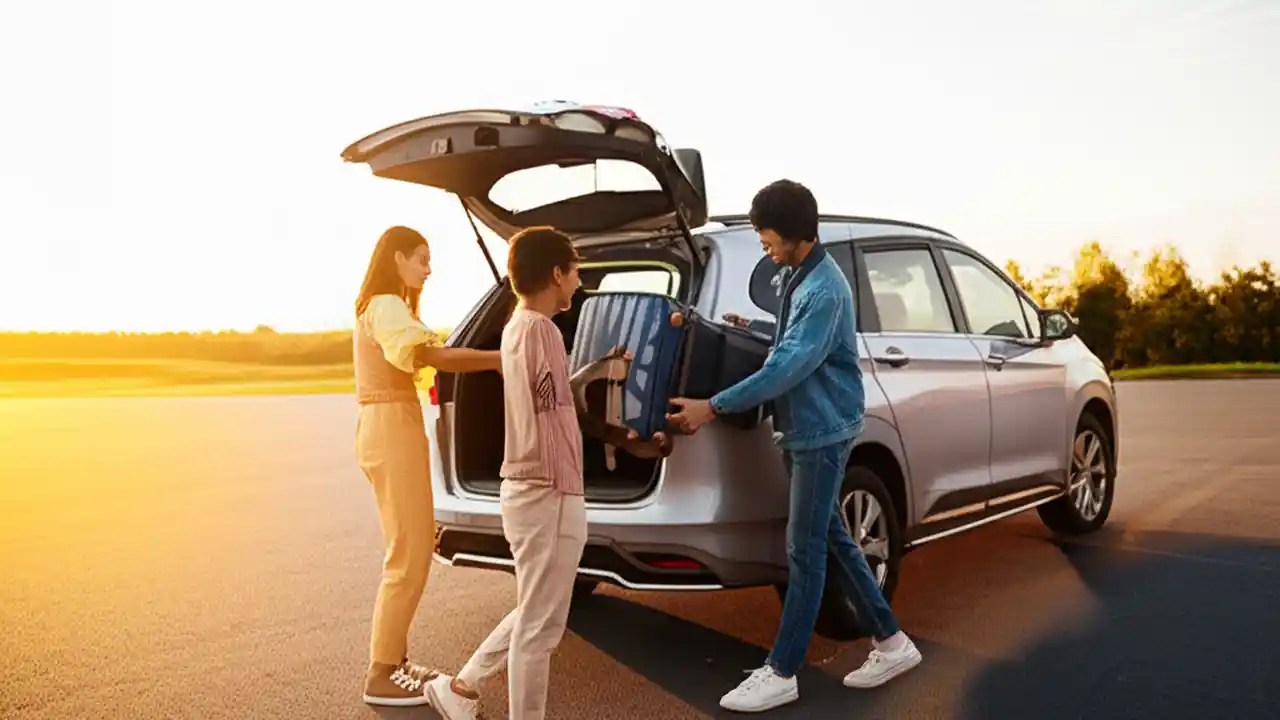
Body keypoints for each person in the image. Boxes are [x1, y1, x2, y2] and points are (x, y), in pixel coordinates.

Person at [667, 180, 922, 713]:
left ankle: (782, 671)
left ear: (794, 234)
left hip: (821, 433)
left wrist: (711, 406)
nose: (764, 246)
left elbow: (789, 365)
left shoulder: (824, 289)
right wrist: (745, 326)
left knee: (804, 552)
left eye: (767, 238)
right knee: (832, 538)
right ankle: (893, 642)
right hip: (807, 428)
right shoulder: (796, 276)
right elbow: (790, 341)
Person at [426, 227, 668, 720]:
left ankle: (463, 687)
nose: (579, 283)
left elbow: (552, 398)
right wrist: (627, 440)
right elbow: (561, 413)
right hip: (548, 491)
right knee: (540, 629)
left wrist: (599, 369)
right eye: (575, 271)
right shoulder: (543, 330)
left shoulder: (518, 328)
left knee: (540, 611)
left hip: (528, 490)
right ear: (555, 273)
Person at [353, 225, 502, 707]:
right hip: (389, 425)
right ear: (396, 258)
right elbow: (432, 356)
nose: (428, 268)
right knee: (408, 554)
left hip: (390, 422)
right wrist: (499, 359)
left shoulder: (384, 305)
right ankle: (382, 672)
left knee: (412, 549)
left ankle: (394, 661)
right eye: (421, 258)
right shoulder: (386, 304)